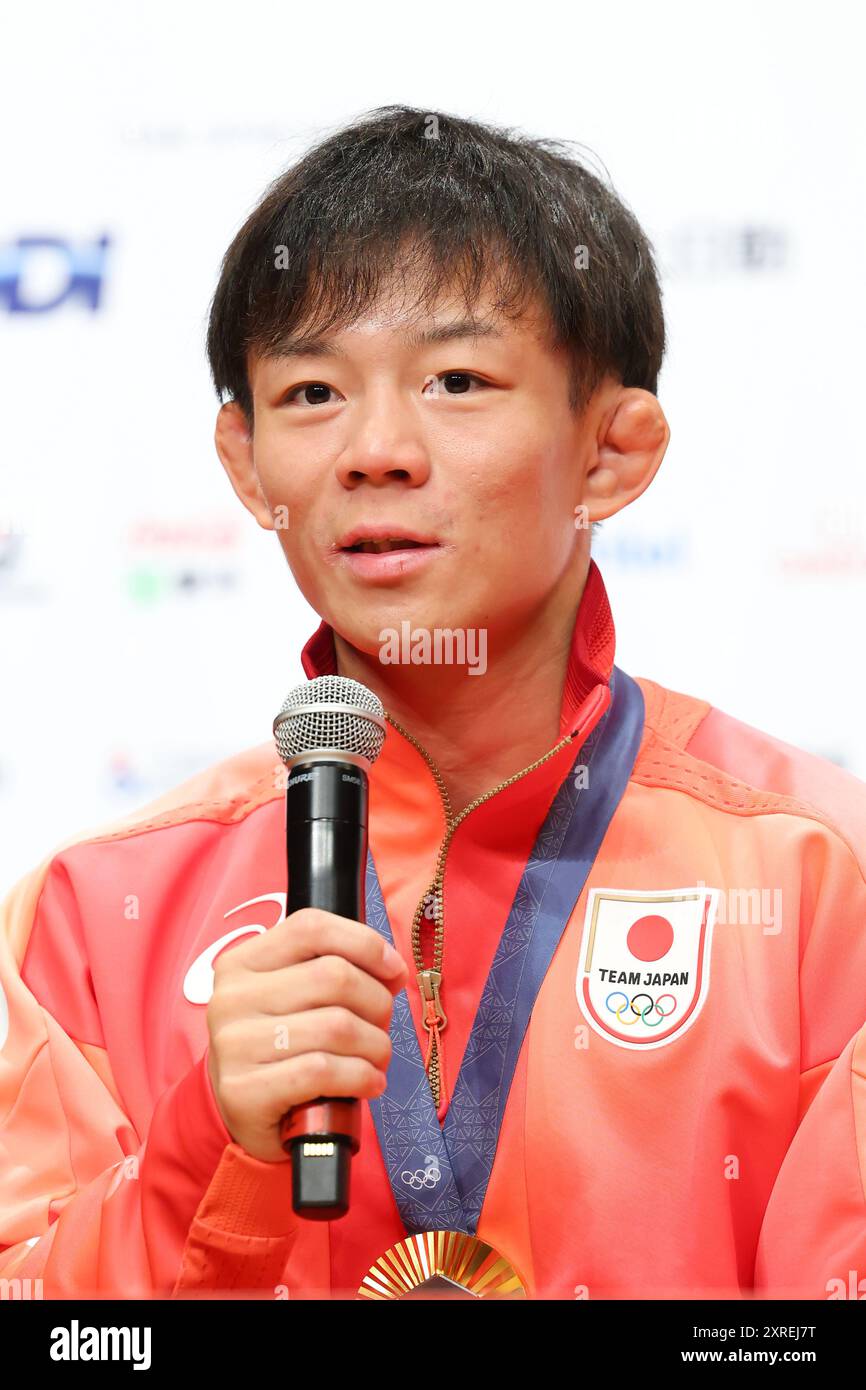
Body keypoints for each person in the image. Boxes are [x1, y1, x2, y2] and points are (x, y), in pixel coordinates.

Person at [2, 103, 865, 1302]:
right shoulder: (91, 919)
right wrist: (205, 1147)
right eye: (311, 393)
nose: (376, 449)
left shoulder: (819, 877)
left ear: (610, 451)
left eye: (456, 379)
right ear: (245, 465)